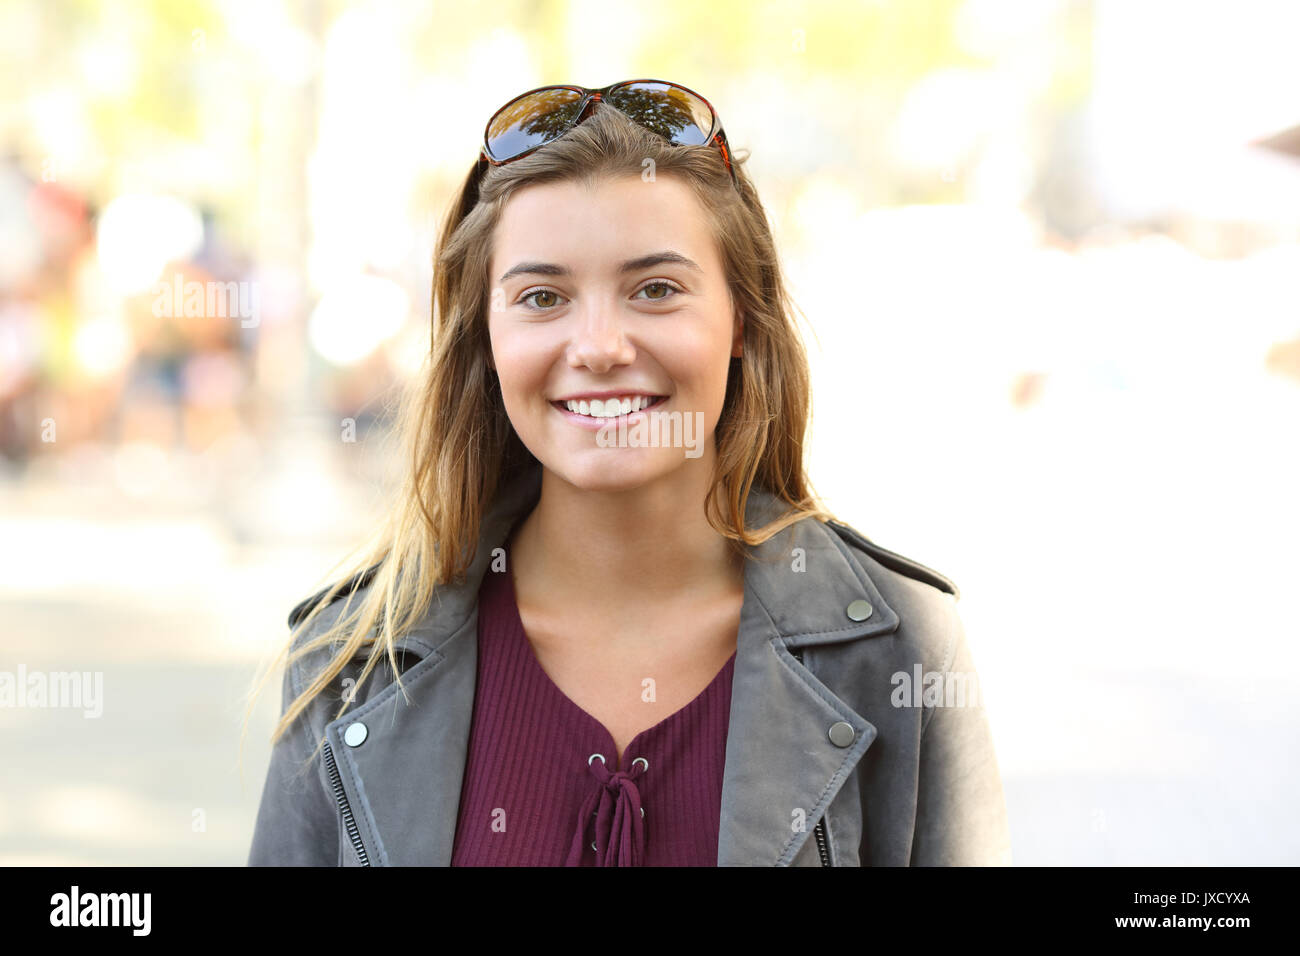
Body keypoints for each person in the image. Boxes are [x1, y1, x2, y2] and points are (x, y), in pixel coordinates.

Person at [245, 79, 1011, 866]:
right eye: (543, 297)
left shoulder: (896, 647)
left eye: (655, 289)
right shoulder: (352, 658)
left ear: (742, 319)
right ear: (486, 338)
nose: (600, 346)